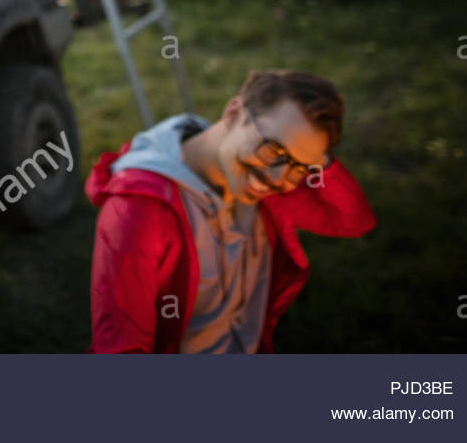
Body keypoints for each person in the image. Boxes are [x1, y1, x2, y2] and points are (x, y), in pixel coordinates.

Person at [85, 69, 375, 353]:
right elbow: (121, 350)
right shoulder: (139, 210)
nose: (278, 179)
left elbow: (352, 221)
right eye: (273, 149)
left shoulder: (265, 186)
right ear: (235, 113)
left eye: (301, 167)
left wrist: (318, 161)